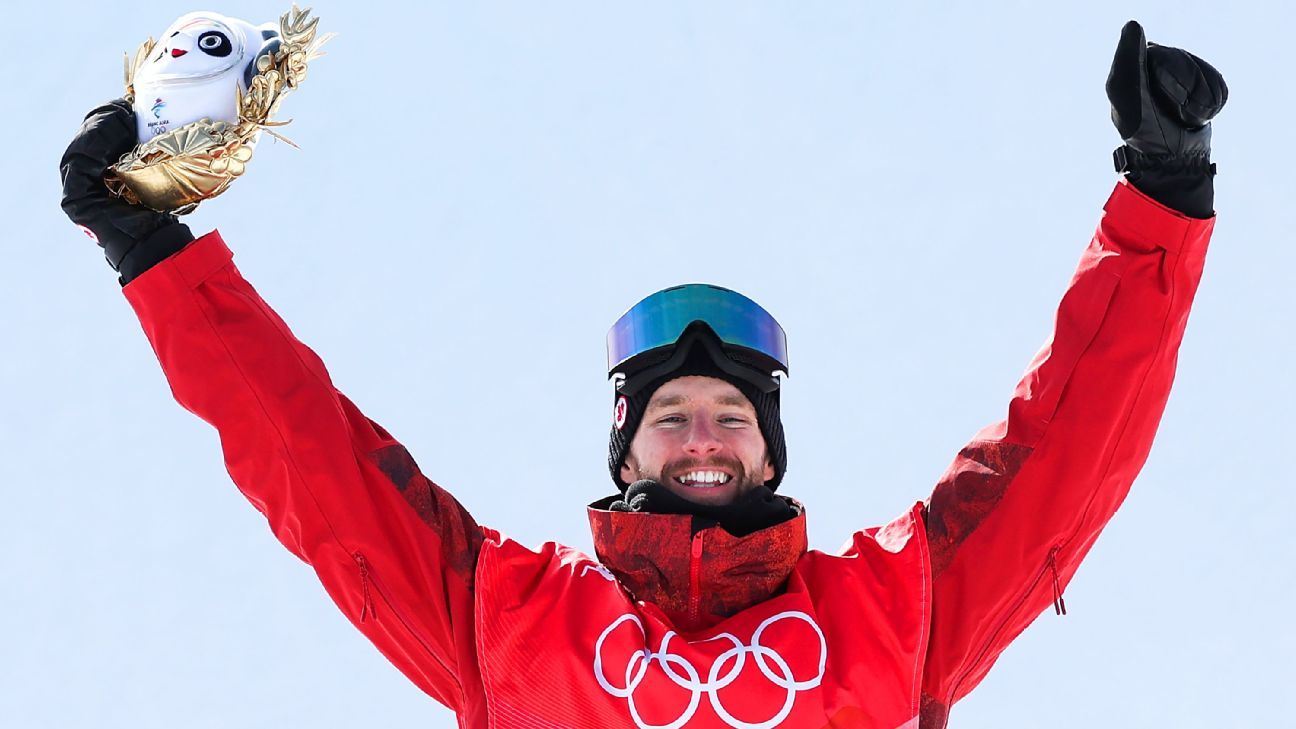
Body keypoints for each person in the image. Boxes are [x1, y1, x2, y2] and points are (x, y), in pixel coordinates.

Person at [58, 20, 1225, 729]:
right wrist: (151, 251)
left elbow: (1065, 454)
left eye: (729, 413)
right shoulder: (504, 618)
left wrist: (1161, 198)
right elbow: (308, 458)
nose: (705, 435)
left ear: (773, 446)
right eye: (672, 417)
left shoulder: (895, 613)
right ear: (625, 445)